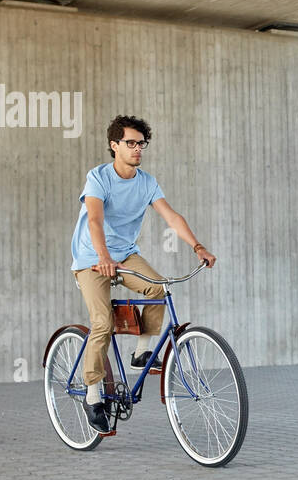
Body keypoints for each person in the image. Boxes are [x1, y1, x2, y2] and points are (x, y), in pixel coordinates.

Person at [69, 115, 216, 433]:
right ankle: (93, 395)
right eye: (130, 143)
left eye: (141, 144)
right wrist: (103, 257)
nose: (137, 149)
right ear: (114, 145)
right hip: (91, 258)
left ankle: (142, 351)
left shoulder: (147, 182)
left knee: (159, 288)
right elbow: (94, 220)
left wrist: (198, 247)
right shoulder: (99, 178)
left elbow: (172, 217)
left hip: (124, 256)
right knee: (102, 323)